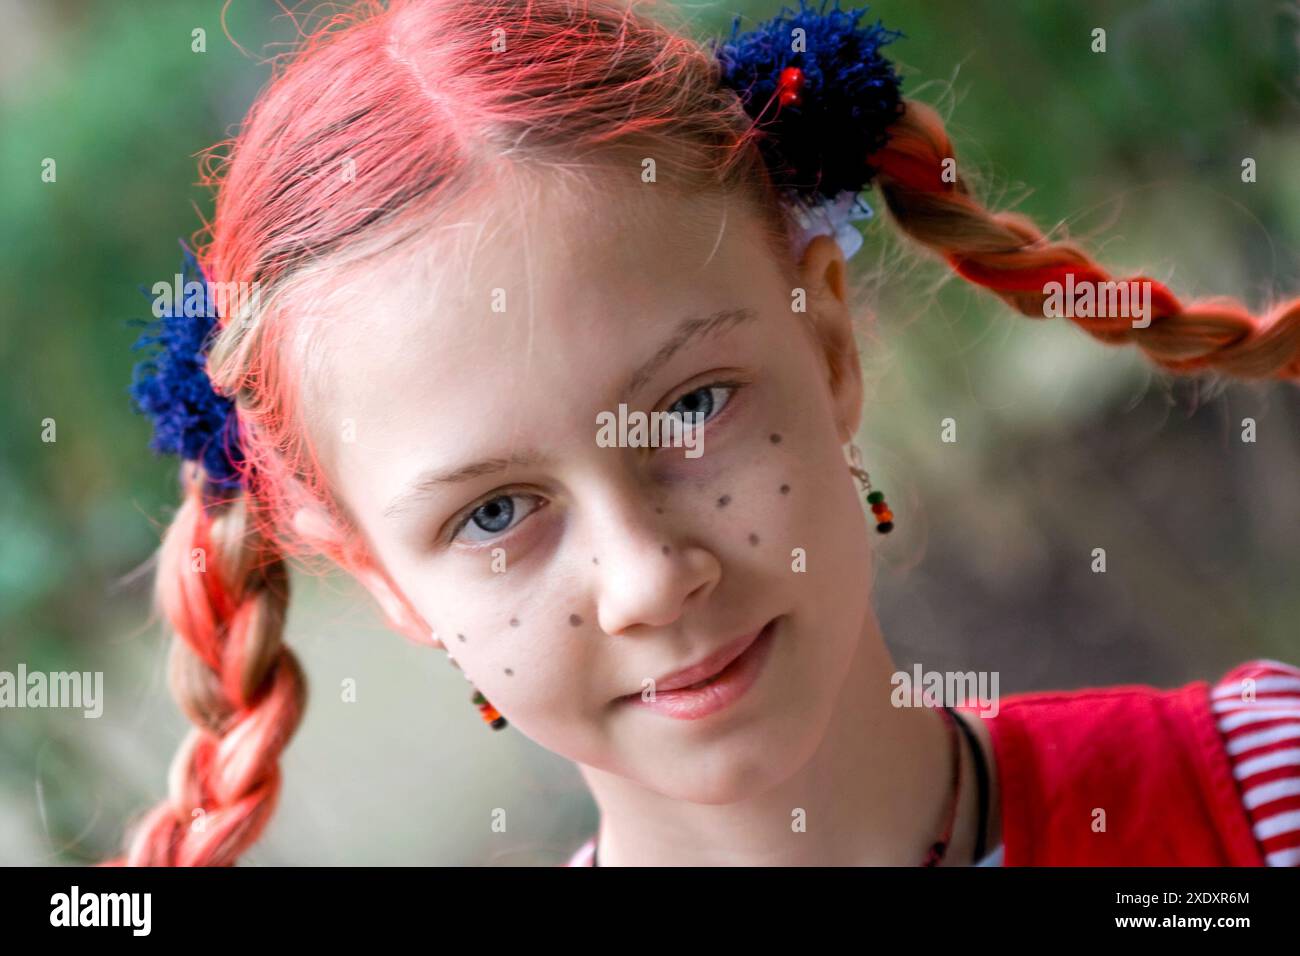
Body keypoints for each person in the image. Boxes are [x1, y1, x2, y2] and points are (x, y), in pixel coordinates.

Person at [116, 0, 1300, 867]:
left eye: (692, 405)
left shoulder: (1266, 793)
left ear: (828, 346)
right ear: (385, 577)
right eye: (492, 512)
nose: (647, 577)